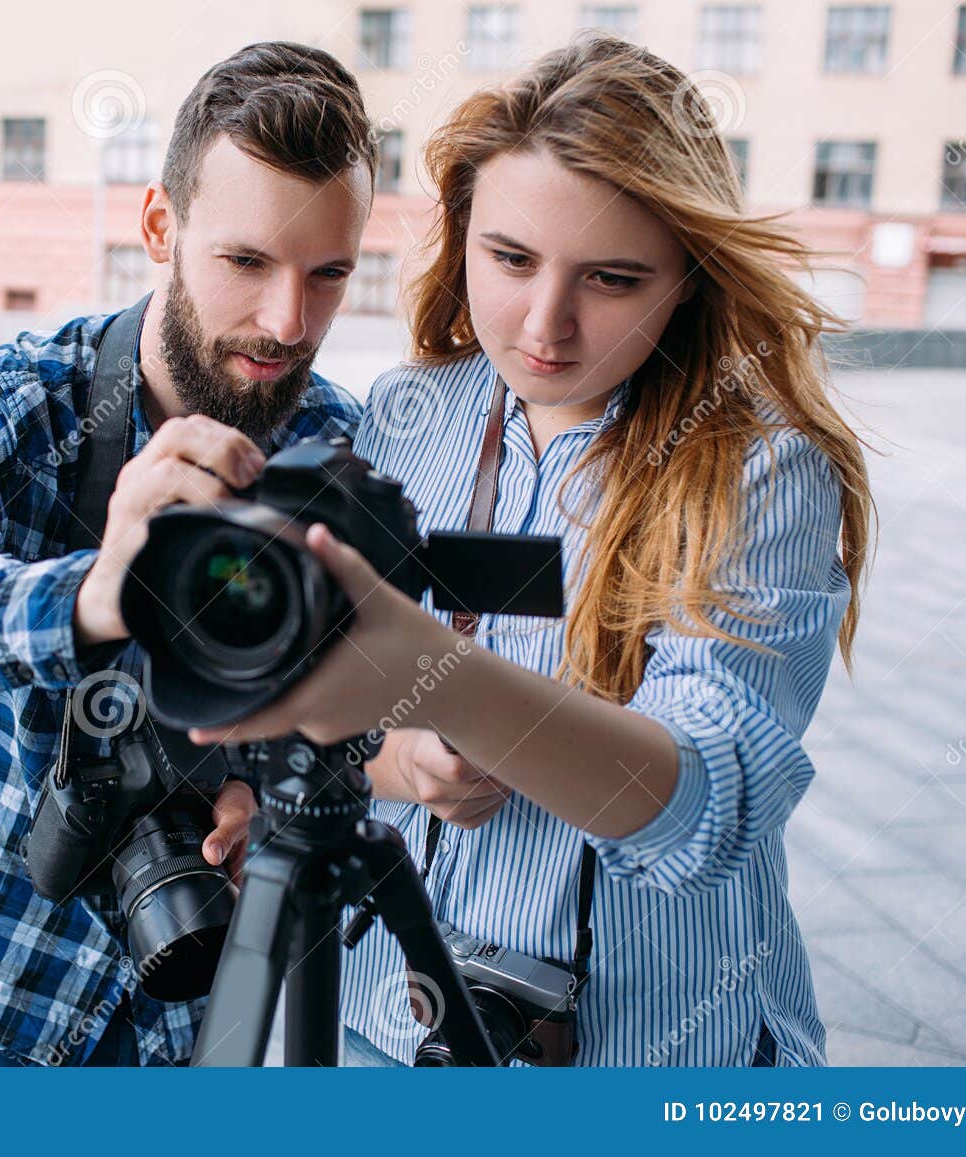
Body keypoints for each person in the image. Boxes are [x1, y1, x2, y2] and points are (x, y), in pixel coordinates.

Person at [190, 34, 876, 1067]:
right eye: (509, 260)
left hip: (653, 1044)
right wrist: (395, 760)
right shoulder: (408, 413)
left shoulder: (759, 469)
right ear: (460, 234)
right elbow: (334, 702)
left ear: (688, 274)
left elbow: (713, 804)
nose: (545, 324)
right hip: (389, 1020)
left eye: (610, 278)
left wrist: (447, 681)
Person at [0, 41, 376, 1066]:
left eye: (327, 274)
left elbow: (366, 690)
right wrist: (93, 594)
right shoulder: (23, 395)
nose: (288, 321)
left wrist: (279, 784)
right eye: (246, 261)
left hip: (213, 998)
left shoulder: (338, 447)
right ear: (160, 226)